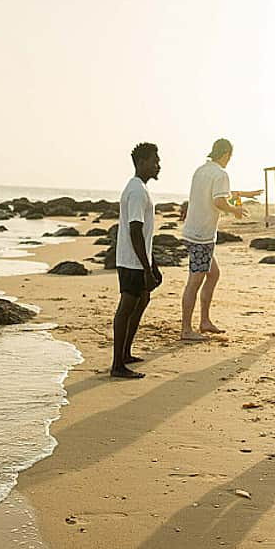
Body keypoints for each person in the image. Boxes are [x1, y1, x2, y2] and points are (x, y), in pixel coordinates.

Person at [180, 138, 262, 340]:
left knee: (213, 274)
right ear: (225, 154)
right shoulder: (221, 174)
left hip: (194, 232)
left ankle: (205, 321)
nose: (230, 160)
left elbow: (217, 195)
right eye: (230, 156)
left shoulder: (201, 170)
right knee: (195, 280)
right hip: (202, 236)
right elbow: (219, 200)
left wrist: (244, 194)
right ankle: (186, 330)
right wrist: (236, 209)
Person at [112, 142, 162, 378]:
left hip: (136, 260)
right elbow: (135, 230)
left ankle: (126, 353)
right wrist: (146, 268)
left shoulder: (139, 188)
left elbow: (142, 233)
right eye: (154, 160)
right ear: (141, 163)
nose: (158, 165)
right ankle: (117, 365)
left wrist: (152, 263)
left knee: (142, 300)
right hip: (131, 262)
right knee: (126, 308)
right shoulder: (137, 191)